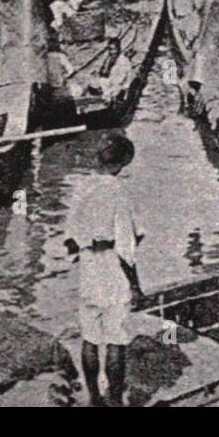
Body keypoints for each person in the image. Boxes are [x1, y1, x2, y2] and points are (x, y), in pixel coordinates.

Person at [63, 130, 144, 407]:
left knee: (90, 336)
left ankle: (94, 398)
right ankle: (115, 399)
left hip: (88, 265)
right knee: (116, 339)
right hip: (112, 266)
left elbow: (70, 238)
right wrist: (135, 285)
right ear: (122, 163)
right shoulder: (119, 192)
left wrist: (85, 248)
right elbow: (127, 246)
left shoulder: (82, 189)